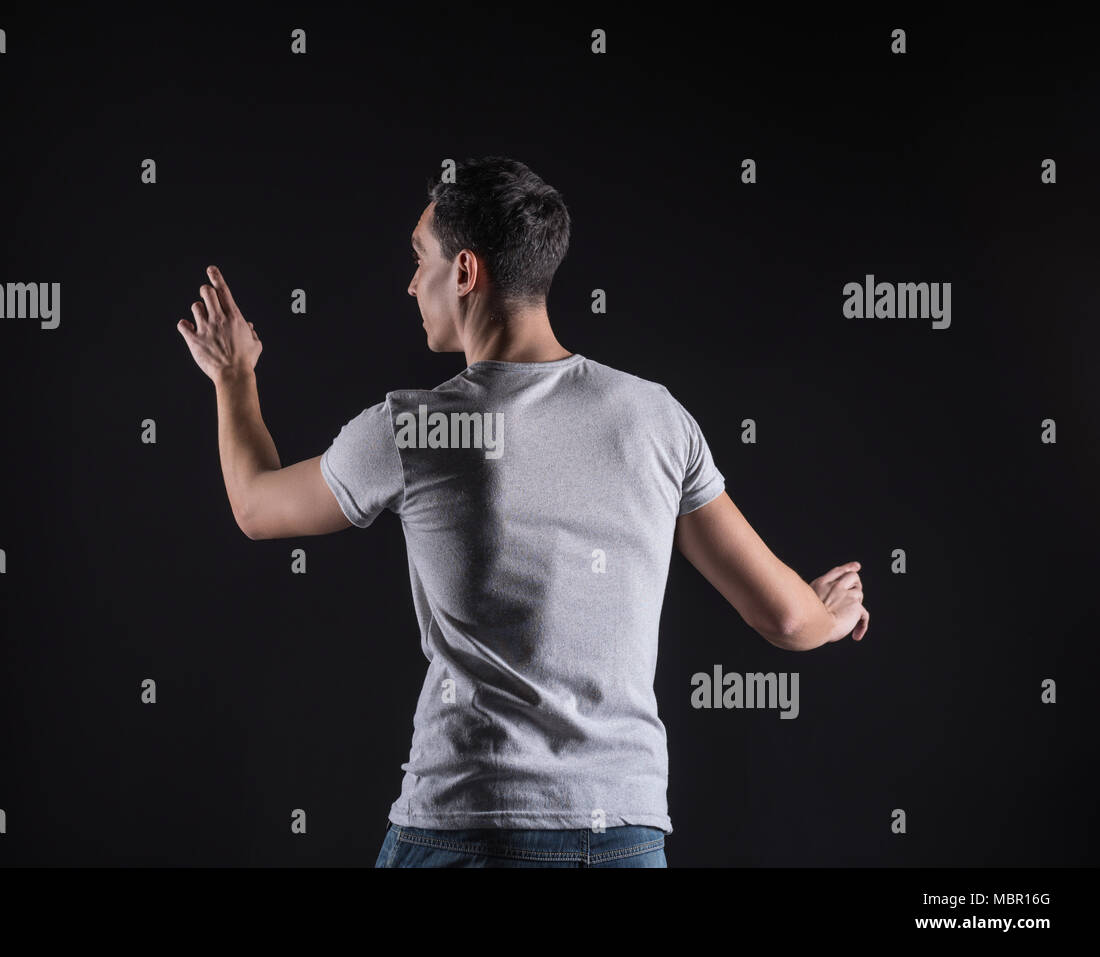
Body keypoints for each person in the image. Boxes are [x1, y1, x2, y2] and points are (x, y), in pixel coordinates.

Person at [177, 156, 870, 868]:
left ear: (466, 272)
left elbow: (256, 506)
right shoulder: (656, 419)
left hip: (467, 830)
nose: (411, 282)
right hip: (624, 836)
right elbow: (786, 617)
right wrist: (834, 616)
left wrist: (234, 378)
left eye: (421, 260)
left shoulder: (413, 428)